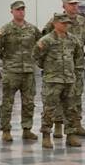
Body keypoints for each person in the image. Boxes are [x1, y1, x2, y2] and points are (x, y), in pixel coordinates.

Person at [0, 0, 41, 143]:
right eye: (18, 9)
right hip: (11, 72)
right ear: (12, 11)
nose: (21, 12)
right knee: (7, 103)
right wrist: (8, 59)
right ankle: (6, 131)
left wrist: (33, 59)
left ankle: (27, 129)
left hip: (28, 71)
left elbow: (41, 45)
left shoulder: (32, 29)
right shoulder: (5, 29)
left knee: (29, 102)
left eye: (22, 9)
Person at [34, 13, 82, 148]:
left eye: (67, 23)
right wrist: (49, 68)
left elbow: (78, 55)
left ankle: (71, 135)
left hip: (69, 80)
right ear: (55, 24)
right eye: (63, 23)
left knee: (71, 109)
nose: (66, 25)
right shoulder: (46, 40)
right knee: (49, 109)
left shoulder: (73, 40)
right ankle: (46, 136)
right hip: (52, 80)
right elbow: (36, 55)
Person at [60, 0, 85, 137]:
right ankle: (57, 126)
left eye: (76, 4)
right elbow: (47, 39)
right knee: (60, 96)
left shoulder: (82, 21)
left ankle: (77, 124)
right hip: (61, 66)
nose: (74, 7)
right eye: (71, 4)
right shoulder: (57, 20)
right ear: (64, 6)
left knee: (77, 95)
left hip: (77, 65)